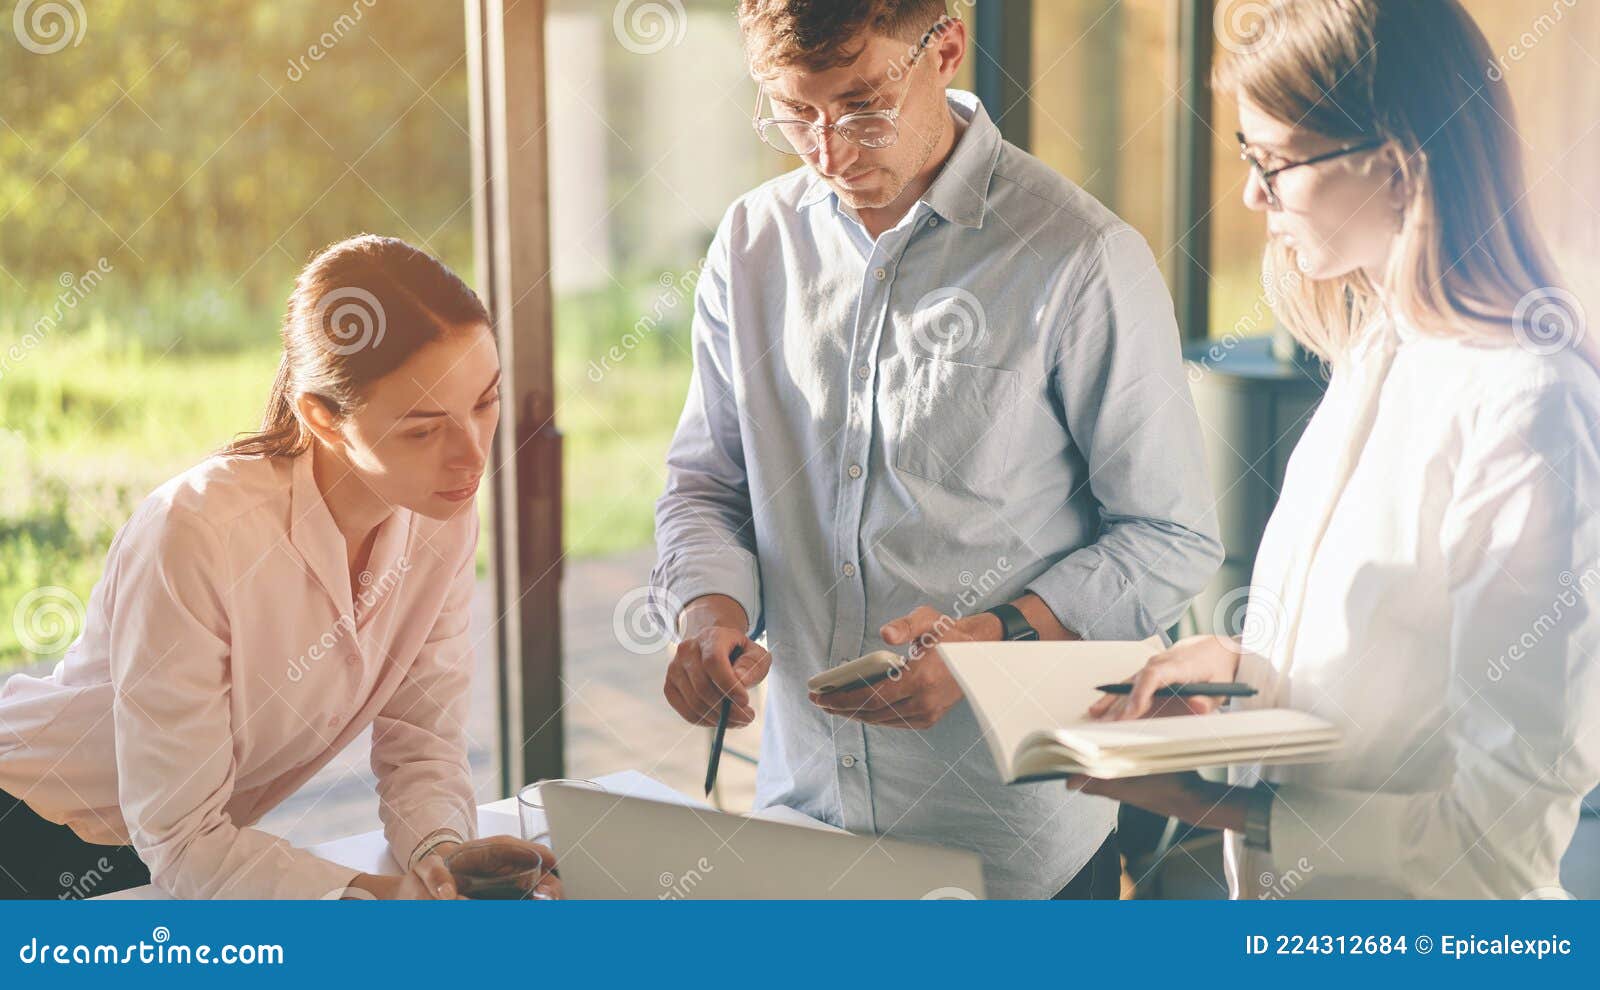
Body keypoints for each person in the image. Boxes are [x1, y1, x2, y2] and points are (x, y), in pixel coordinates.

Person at [654, 1, 1222, 899]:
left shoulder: (1080, 256)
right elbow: (708, 484)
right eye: (795, 113)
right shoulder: (751, 243)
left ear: (946, 46)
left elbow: (1170, 534)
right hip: (800, 822)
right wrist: (710, 617)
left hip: (1008, 849)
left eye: (861, 104)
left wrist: (989, 646)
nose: (831, 151)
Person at [1067, 0, 1600, 899]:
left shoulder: (1527, 407)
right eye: (1246, 157)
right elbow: (1402, 658)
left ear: (1397, 164)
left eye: (1274, 163)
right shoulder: (1379, 354)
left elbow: (1498, 835)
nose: (1249, 195)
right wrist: (1248, 667)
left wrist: (1210, 804)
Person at [0, 235, 558, 900]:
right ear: (322, 416)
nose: (472, 456)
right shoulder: (197, 533)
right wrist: (386, 900)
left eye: (484, 403)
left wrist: (440, 855)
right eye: (422, 429)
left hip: (182, 855)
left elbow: (422, 743)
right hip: (29, 827)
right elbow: (181, 841)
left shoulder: (440, 515)